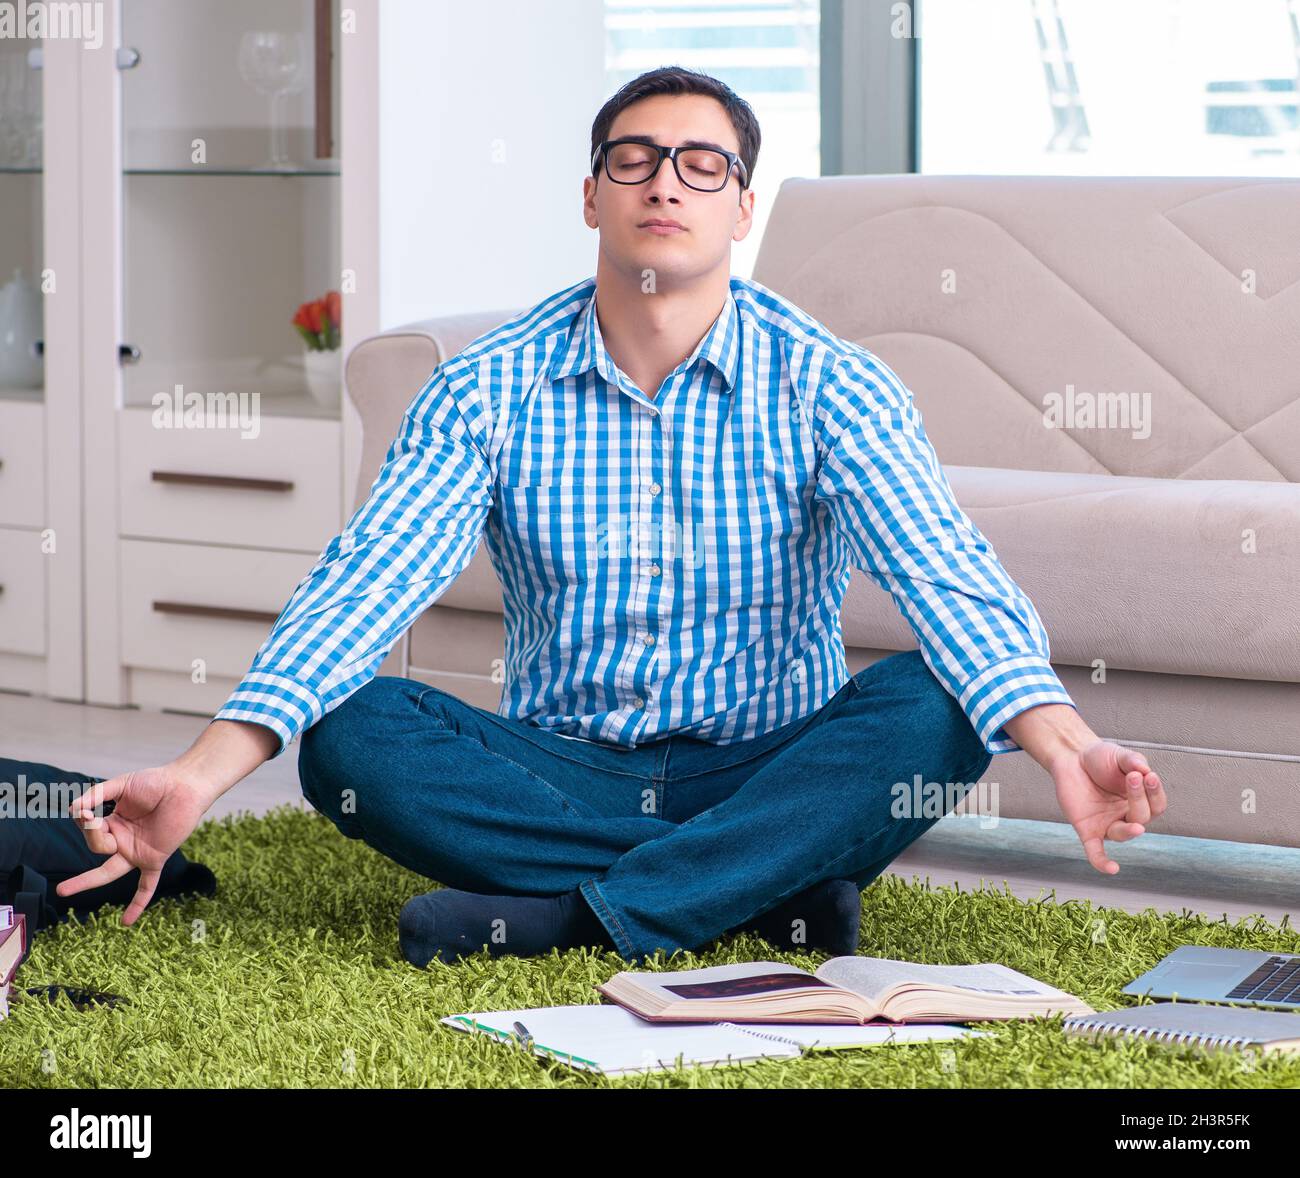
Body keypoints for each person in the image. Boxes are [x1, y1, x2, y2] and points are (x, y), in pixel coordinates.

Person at [57, 66, 1167, 967]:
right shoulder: (485, 386)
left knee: (939, 702)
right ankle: (755, 889)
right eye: (632, 160)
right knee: (352, 729)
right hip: (560, 763)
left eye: (701, 164)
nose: (663, 183)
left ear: (741, 206)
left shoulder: (831, 382)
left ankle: (582, 915)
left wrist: (1065, 743)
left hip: (761, 760)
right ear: (592, 196)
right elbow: (364, 584)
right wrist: (199, 773)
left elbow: (949, 578)